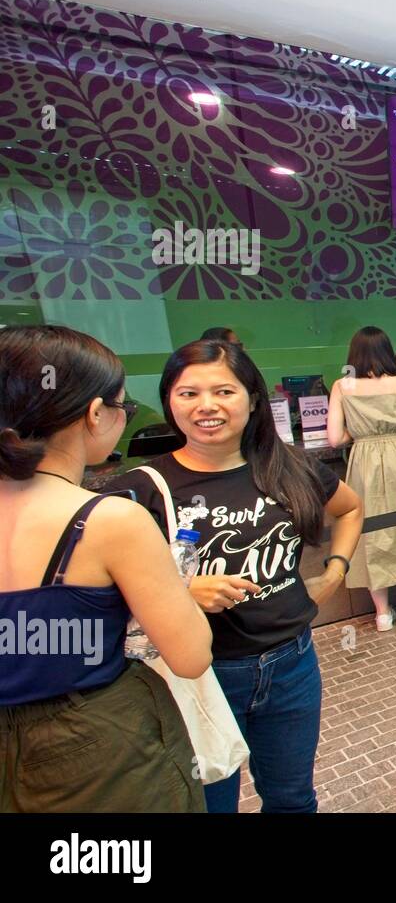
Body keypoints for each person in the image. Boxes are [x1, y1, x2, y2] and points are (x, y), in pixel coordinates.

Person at [107, 338, 363, 813]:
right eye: (188, 394)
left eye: (224, 391)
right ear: (169, 401)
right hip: (199, 677)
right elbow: (97, 591)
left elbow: (350, 509)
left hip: (292, 665)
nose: (207, 406)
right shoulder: (141, 490)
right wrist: (180, 591)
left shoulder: (290, 467)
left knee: (292, 800)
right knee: (208, 806)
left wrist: (335, 571)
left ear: (252, 399)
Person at [0, 326, 212, 812]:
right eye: (123, 408)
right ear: (96, 415)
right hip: (96, 746)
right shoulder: (109, 519)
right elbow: (190, 655)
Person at [328, 327, 396, 630]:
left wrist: (360, 430)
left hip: (363, 460)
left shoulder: (342, 386)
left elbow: (335, 438)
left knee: (368, 529)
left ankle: (382, 613)